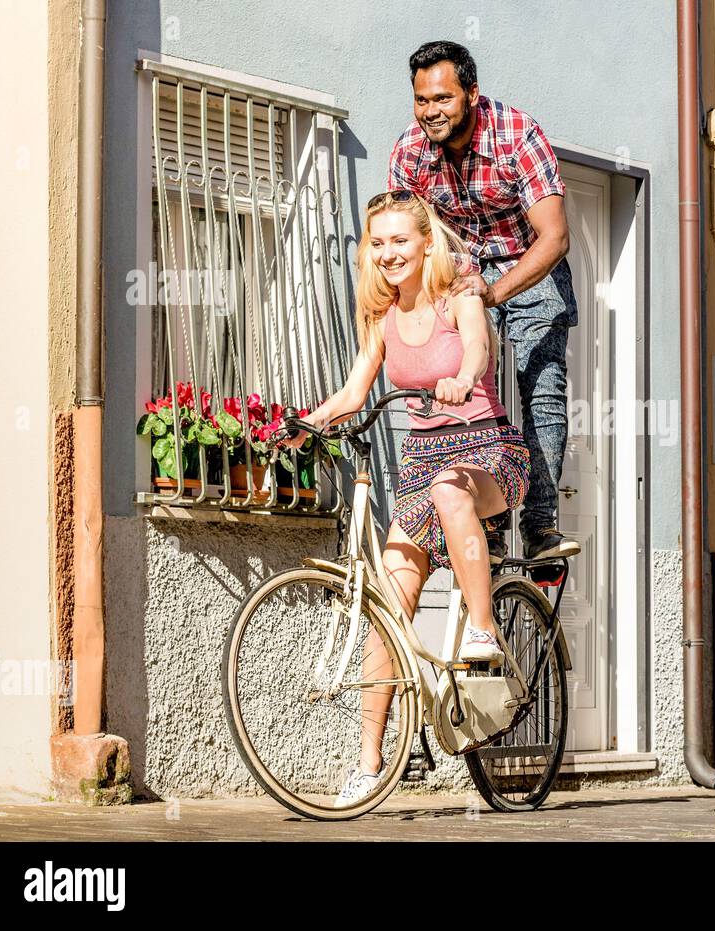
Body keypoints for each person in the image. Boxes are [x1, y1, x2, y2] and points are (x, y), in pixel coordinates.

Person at [288, 191, 530, 806]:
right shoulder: (382, 315)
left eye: (401, 240)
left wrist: (464, 378)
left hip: (486, 453)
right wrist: (297, 427)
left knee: (451, 492)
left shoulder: (461, 294)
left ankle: (482, 630)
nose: (389, 253)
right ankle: (369, 765)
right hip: (422, 464)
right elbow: (351, 394)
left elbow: (479, 347)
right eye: (379, 243)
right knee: (387, 616)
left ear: (426, 241)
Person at [387, 40, 579, 566]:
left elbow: (554, 236)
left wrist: (494, 292)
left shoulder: (518, 136)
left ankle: (540, 524)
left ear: (472, 93)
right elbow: (402, 234)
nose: (431, 111)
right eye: (422, 100)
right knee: (469, 382)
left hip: (527, 262)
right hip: (458, 269)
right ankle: (488, 521)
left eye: (443, 98)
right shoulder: (409, 152)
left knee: (541, 383)